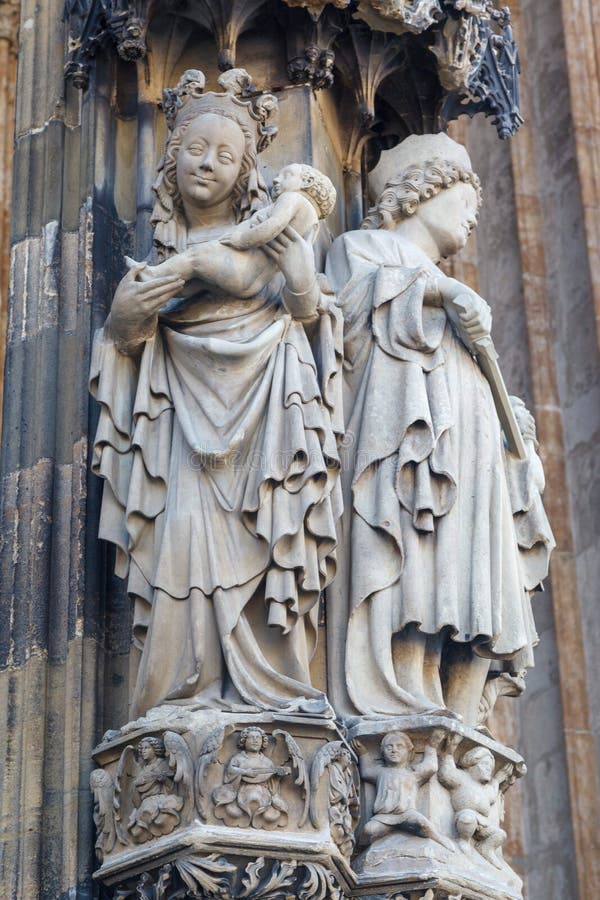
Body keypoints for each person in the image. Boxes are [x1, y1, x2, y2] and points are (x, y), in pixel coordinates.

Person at [90, 70, 342, 719]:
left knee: (268, 536)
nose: (208, 163)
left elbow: (314, 322)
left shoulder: (265, 238)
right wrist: (123, 319)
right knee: (177, 537)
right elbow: (124, 347)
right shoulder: (159, 258)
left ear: (245, 170)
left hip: (264, 406)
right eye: (195, 150)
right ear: (171, 162)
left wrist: (300, 278)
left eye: (225, 155)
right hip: (182, 414)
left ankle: (277, 693)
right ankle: (180, 692)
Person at [325, 133, 554, 725]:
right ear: (421, 191)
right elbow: (344, 313)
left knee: (465, 586)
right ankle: (400, 690)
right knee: (414, 576)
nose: (474, 214)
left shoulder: (444, 282)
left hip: (463, 449)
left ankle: (452, 712)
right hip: (406, 441)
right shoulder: (365, 247)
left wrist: (515, 438)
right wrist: (438, 289)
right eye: (465, 197)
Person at [134, 163, 336, 296]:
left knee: (195, 257)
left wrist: (242, 240)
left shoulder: (292, 198)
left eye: (286, 175)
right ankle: (161, 291)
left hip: (240, 265)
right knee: (199, 282)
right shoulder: (313, 224)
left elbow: (273, 225)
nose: (276, 180)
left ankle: (151, 277)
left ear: (307, 182)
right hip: (253, 283)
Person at [354, 730, 451, 850]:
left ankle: (441, 841)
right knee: (368, 830)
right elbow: (366, 771)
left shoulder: (413, 772)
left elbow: (431, 767)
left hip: (407, 814)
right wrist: (363, 753)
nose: (394, 750)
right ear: (382, 752)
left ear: (409, 752)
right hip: (384, 817)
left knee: (423, 824)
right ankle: (359, 850)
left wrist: (432, 746)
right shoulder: (380, 772)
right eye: (389, 747)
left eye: (400, 746)